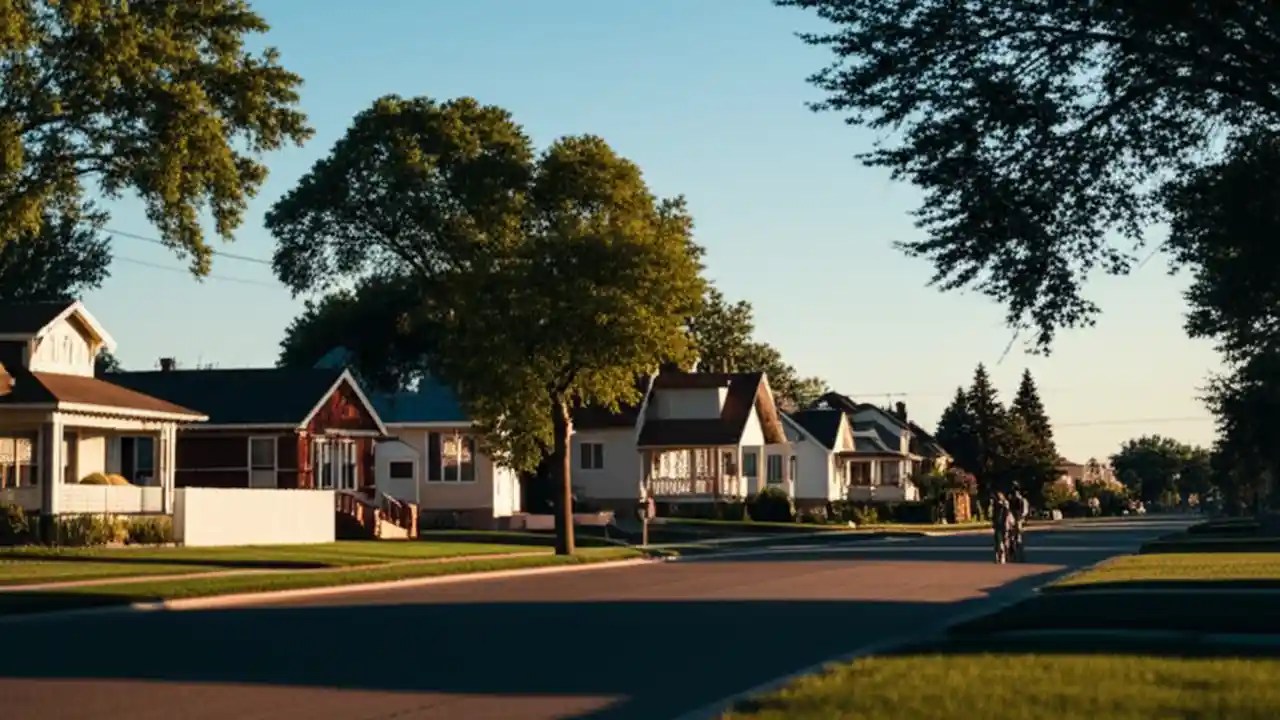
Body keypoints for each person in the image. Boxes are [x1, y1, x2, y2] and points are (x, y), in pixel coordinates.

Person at [1009, 485, 1030, 562]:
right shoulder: (1011, 500)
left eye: (1016, 492)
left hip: (1018, 520)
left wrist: (1021, 518)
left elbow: (1025, 511)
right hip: (1013, 520)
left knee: (1018, 538)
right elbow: (1009, 510)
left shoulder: (1022, 500)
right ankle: (1013, 555)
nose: (1015, 493)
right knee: (1011, 538)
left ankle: (1020, 555)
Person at [992, 491, 1011, 564]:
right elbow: (994, 514)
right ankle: (997, 557)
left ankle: (1004, 556)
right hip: (998, 525)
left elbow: (1007, 513)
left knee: (1004, 541)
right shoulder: (995, 505)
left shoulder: (1005, 503)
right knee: (998, 541)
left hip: (1004, 525)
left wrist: (1007, 523)